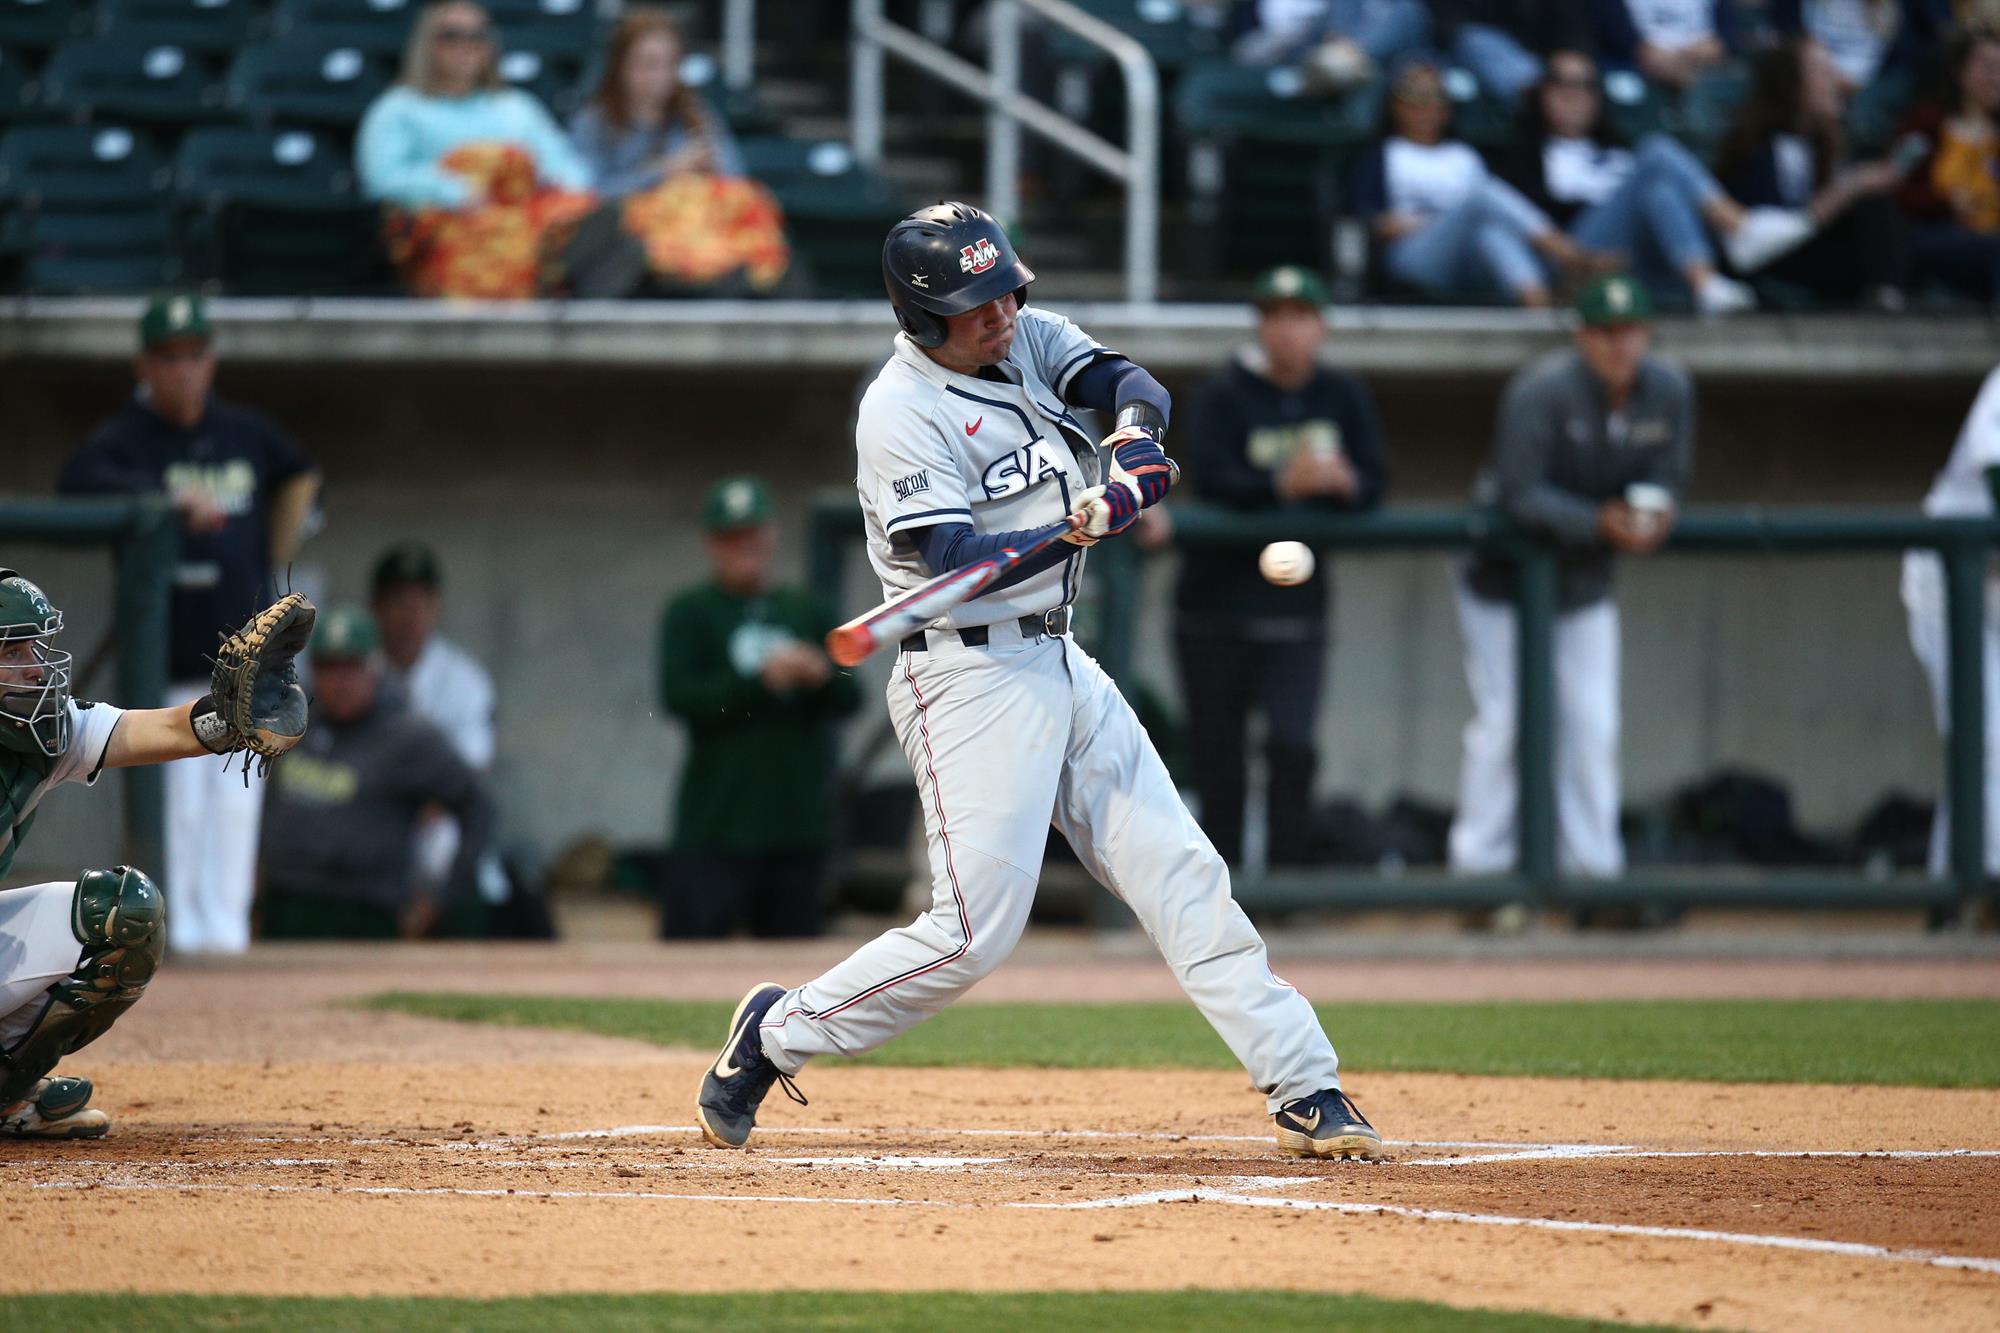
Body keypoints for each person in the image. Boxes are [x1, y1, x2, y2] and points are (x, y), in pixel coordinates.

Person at [694, 203, 1386, 1163]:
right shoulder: (898, 410)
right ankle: (776, 1033)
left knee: (1180, 867)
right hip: (968, 679)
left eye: (1007, 290)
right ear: (923, 315)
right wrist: (1074, 524)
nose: (1004, 312)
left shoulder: (1022, 334)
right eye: (978, 303)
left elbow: (1125, 381)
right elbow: (950, 552)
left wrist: (1135, 441)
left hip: (1059, 655)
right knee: (972, 932)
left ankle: (1305, 1082)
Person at [1, 570, 310, 1137]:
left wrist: (227, 715)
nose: (35, 667)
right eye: (11, 651)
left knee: (123, 914)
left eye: (33, 647)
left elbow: (163, 730)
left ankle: (4, 1092)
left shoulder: (42, 734)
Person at [57, 294, 319, 958]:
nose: (183, 371)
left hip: (244, 654)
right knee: (178, 812)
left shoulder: (244, 433)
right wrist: (166, 501)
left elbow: (300, 475)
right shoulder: (126, 438)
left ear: (211, 360)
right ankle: (174, 953)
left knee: (233, 812)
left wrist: (274, 551)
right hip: (167, 658)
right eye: (169, 358)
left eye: (195, 356)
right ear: (145, 364)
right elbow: (75, 485)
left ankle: (225, 944)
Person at [1448, 275, 1693, 883]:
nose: (1618, 345)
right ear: (1582, 335)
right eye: (1605, 332)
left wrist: (1654, 513)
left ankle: (1592, 875)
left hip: (1582, 581)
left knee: (1591, 723)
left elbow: (1670, 474)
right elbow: (1517, 491)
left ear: (1646, 334)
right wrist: (1599, 521)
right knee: (1506, 722)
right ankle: (1480, 873)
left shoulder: (1669, 390)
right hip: (1502, 579)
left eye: (1629, 331)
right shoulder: (1542, 391)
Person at [1173, 265, 1387, 869]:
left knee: (1293, 747)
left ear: (1321, 326)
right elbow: (1211, 477)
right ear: (1260, 326)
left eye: (1301, 317)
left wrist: (1347, 482)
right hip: (1216, 606)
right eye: (1276, 317)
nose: (1288, 331)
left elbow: (1376, 479)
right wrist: (1280, 482)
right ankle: (1226, 893)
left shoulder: (1342, 393)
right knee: (1220, 757)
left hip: (1298, 609)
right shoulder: (1222, 393)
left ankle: (1291, 887)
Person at [657, 477, 859, 939]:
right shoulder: (691, 612)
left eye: (753, 533)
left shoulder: (806, 609)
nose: (745, 546)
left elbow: (853, 696)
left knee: (795, 967)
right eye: (732, 537)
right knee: (691, 954)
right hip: (716, 820)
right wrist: (761, 682)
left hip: (797, 822)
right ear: (714, 543)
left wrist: (819, 676)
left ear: (771, 535)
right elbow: (680, 697)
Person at [1497, 48, 1815, 313]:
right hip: (1578, 260)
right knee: (1656, 149)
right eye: (1561, 82)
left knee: (1660, 190)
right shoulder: (1523, 157)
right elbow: (1527, 228)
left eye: (1586, 84)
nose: (1574, 93)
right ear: (1542, 93)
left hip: (1643, 254)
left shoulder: (1617, 148)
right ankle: (1738, 227)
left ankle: (1705, 284)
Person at [259, 606, 495, 940]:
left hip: (366, 912)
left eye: (352, 669)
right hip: (287, 902)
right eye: (330, 668)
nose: (341, 682)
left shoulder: (407, 735)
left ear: (375, 669)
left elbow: (477, 805)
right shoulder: (290, 721)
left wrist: (440, 899)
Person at [356, 0, 597, 298]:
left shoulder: (516, 107)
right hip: (450, 227)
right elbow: (382, 178)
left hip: (525, 222)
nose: (465, 46)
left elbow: (569, 171)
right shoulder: (397, 109)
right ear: (426, 43)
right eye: (451, 35)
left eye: (477, 36)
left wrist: (544, 190)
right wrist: (454, 191)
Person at [1351, 60, 1618, 307]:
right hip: (1414, 256)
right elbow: (1374, 224)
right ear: (1396, 106)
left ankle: (1538, 302)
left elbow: (1487, 212)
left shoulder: (1464, 155)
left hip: (1467, 254)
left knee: (1491, 231)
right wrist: (1434, 221)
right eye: (1415, 100)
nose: (1426, 109)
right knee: (1483, 195)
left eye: (1435, 99)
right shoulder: (1384, 154)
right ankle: (1567, 254)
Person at [566, 9, 788, 295]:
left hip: (698, 240)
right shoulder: (593, 122)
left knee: (764, 248)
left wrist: (710, 172)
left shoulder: (695, 115)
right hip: (630, 245)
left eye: (669, 65)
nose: (660, 76)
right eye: (647, 65)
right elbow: (586, 197)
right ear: (620, 66)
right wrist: (663, 172)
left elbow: (738, 184)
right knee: (632, 251)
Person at [1716, 36, 1917, 307]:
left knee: (1878, 206)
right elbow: (1760, 235)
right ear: (1791, 84)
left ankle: (1888, 296)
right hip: (1769, 262)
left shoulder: (1824, 143)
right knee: (1868, 201)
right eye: (1822, 72)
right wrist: (1847, 189)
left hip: (1817, 259)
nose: (1834, 80)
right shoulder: (1749, 146)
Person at [1901, 363, 2000, 888]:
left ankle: (1955, 891)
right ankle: (1979, 889)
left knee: (1987, 746)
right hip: (1950, 582)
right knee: (1984, 737)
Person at [370, 542, 509, 911]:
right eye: (400, 601)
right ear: (377, 607)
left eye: (422, 602)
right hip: (371, 813)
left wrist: (414, 813)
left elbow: (472, 770)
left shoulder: (464, 678)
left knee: (444, 844)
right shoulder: (355, 674)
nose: (411, 615)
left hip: (435, 815)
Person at [1899, 29, 2000, 304]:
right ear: (1960, 72)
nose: (1996, 78)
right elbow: (1897, 187)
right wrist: (1946, 202)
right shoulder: (1927, 123)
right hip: (1938, 236)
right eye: (1988, 67)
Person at [1233, 0, 1432, 92]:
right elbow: (1324, 31)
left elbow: (1391, 40)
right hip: (1329, 57)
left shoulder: (1408, 7)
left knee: (1338, 61)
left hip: (1384, 71)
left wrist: (1352, 48)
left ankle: (1310, 79)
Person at [1592, 0, 1742, 93]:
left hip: (1706, 69)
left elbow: (1728, 37)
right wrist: (1643, 53)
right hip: (1641, 68)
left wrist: (1708, 51)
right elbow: (1617, 34)